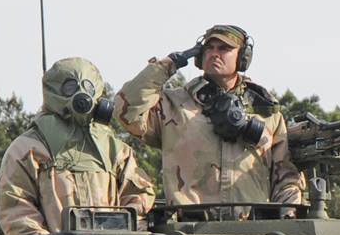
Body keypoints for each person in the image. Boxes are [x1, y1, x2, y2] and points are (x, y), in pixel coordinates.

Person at [115, 24, 305, 207]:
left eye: (224, 48)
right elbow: (126, 109)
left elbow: (287, 177)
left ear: (243, 58)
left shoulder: (266, 112)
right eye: (208, 48)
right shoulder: (173, 105)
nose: (214, 53)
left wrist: (287, 217)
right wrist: (168, 64)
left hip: (251, 231)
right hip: (187, 230)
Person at [0, 57, 154, 235]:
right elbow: (15, 206)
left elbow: (138, 197)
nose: (81, 94)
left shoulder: (115, 150)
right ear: (53, 92)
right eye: (70, 87)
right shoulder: (29, 149)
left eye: (88, 86)